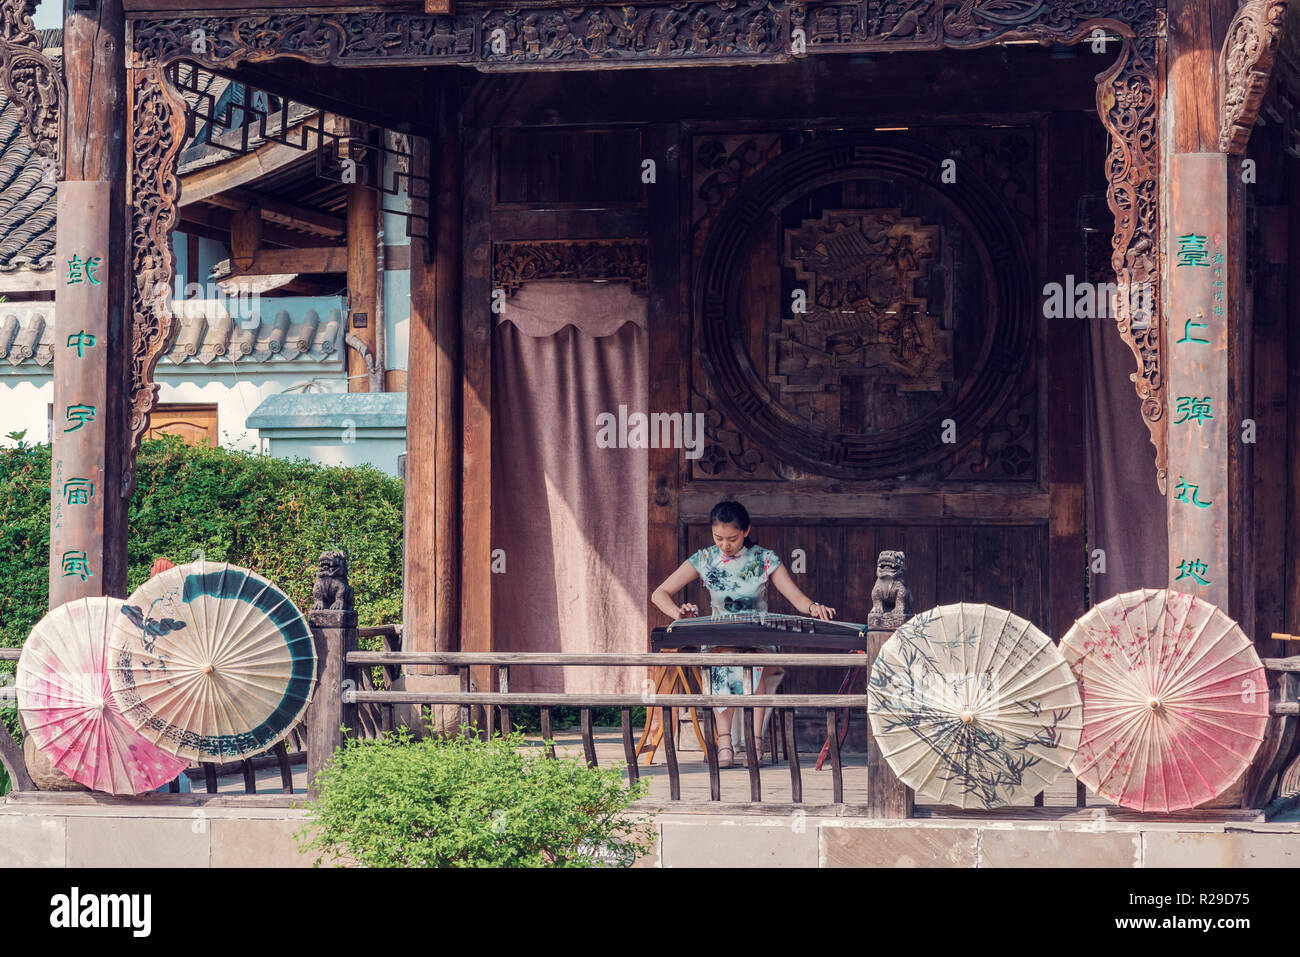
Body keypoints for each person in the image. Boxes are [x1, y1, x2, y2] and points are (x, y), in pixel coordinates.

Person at [650, 501, 836, 768]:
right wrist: (678, 613)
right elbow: (659, 594)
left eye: (732, 538)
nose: (725, 545)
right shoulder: (705, 559)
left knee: (752, 663)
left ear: (747, 530)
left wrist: (814, 607)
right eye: (718, 538)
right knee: (723, 662)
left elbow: (797, 599)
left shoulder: (764, 558)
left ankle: (754, 743)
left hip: (759, 639)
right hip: (719, 639)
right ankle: (724, 743)